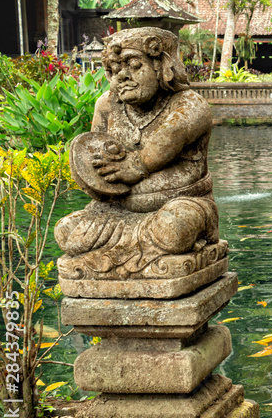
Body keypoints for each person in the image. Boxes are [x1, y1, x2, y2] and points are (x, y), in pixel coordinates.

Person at [55, 27, 221, 282]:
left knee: (173, 228)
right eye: (113, 70)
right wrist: (95, 179)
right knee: (66, 232)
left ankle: (146, 246)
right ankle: (137, 247)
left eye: (134, 65)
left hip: (180, 205)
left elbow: (167, 140)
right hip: (118, 210)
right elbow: (94, 156)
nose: (122, 77)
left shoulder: (189, 105)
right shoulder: (107, 106)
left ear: (162, 66)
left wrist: (137, 165)